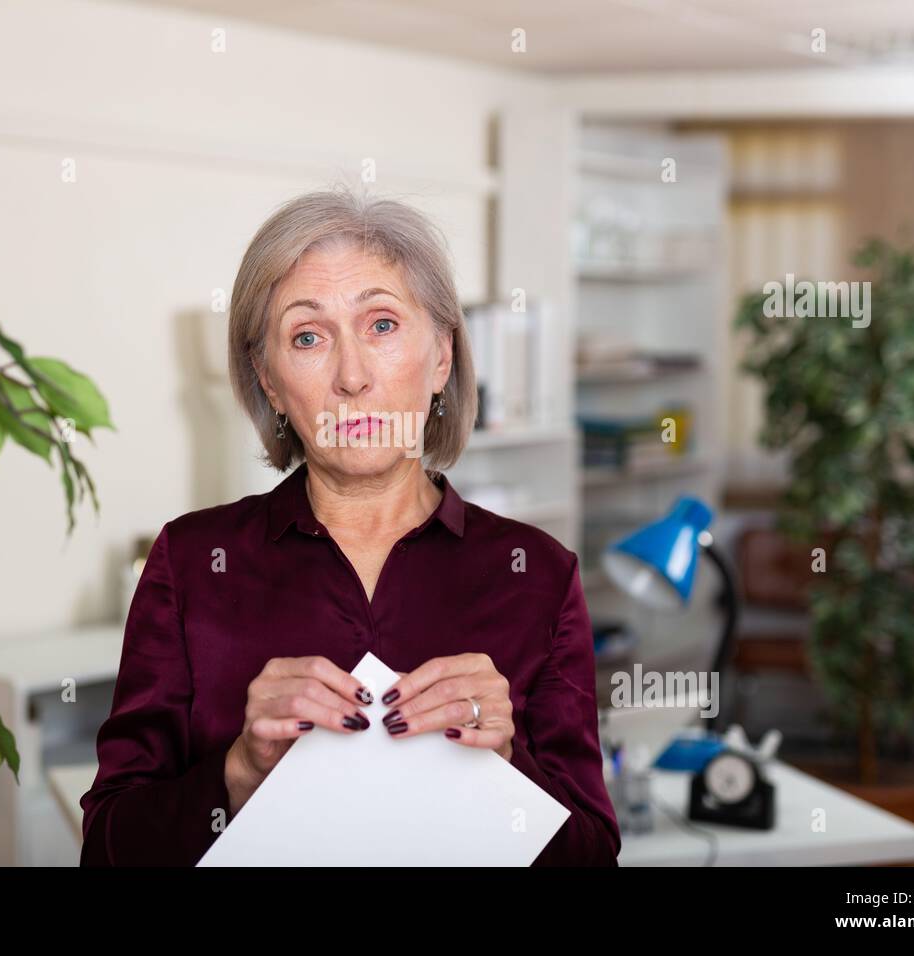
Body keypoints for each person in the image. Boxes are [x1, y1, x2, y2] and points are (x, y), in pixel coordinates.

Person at [79, 188, 621, 866]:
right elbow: (105, 851)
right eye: (308, 337)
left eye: (383, 325)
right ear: (270, 382)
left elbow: (593, 857)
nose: (352, 376)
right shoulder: (191, 562)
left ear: (443, 357)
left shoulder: (539, 574)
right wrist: (240, 772)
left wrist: (508, 762)